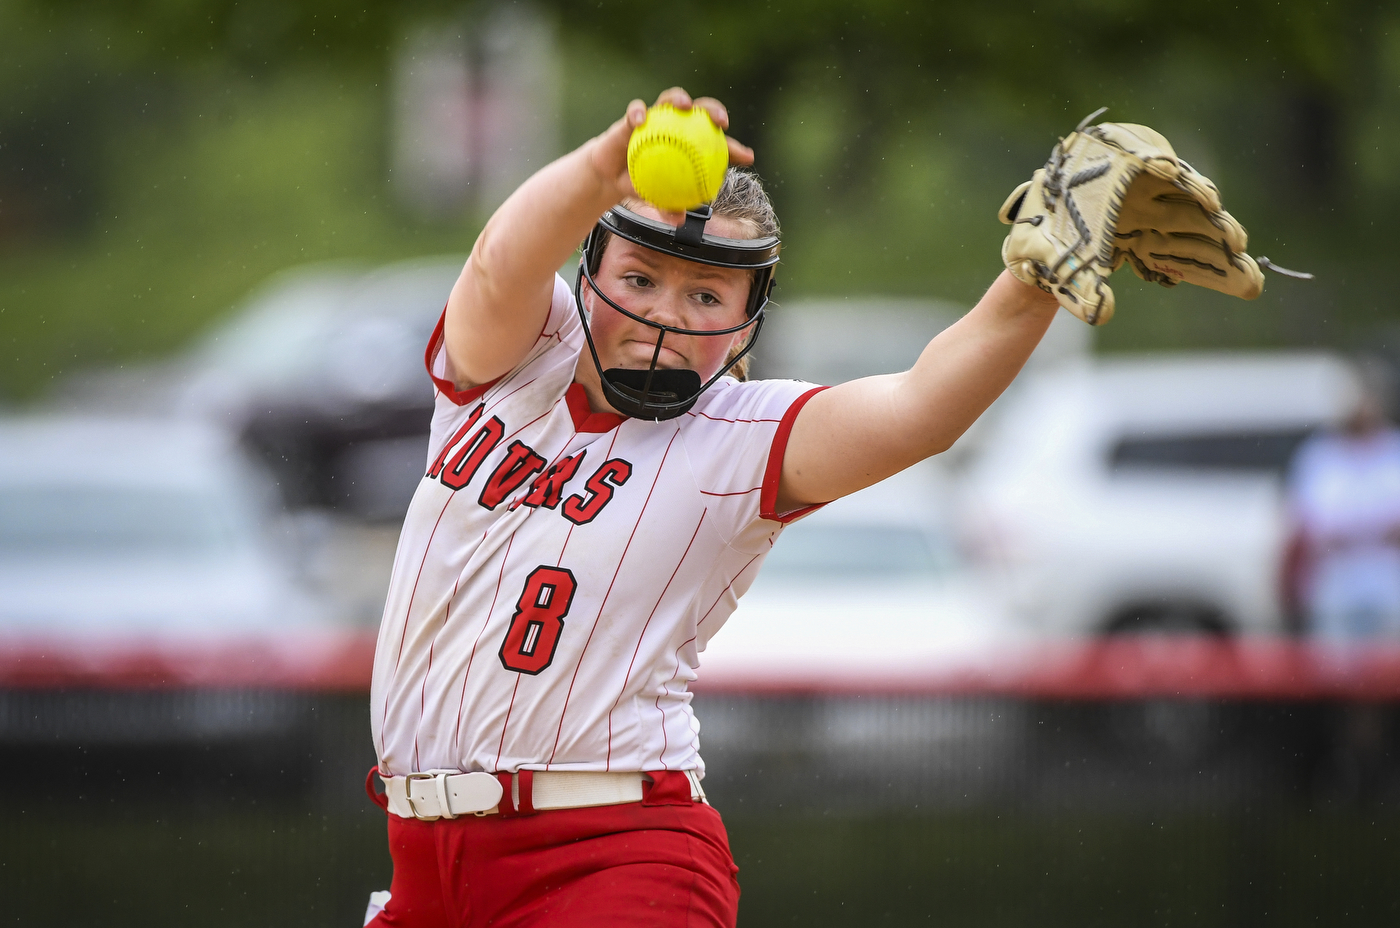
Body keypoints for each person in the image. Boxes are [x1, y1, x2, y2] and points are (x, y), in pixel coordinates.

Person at [362, 87, 1059, 927]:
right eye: (639, 277)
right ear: (589, 275)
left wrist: (1032, 286)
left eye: (706, 294)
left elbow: (920, 410)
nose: (664, 313)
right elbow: (497, 264)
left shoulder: (739, 435)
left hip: (610, 852)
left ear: (745, 321)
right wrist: (600, 171)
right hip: (422, 865)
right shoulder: (515, 364)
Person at [1286, 375, 1400, 643]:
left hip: (1388, 582)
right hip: (1335, 585)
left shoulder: (1394, 451)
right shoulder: (1320, 456)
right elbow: (1309, 523)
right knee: (1335, 659)